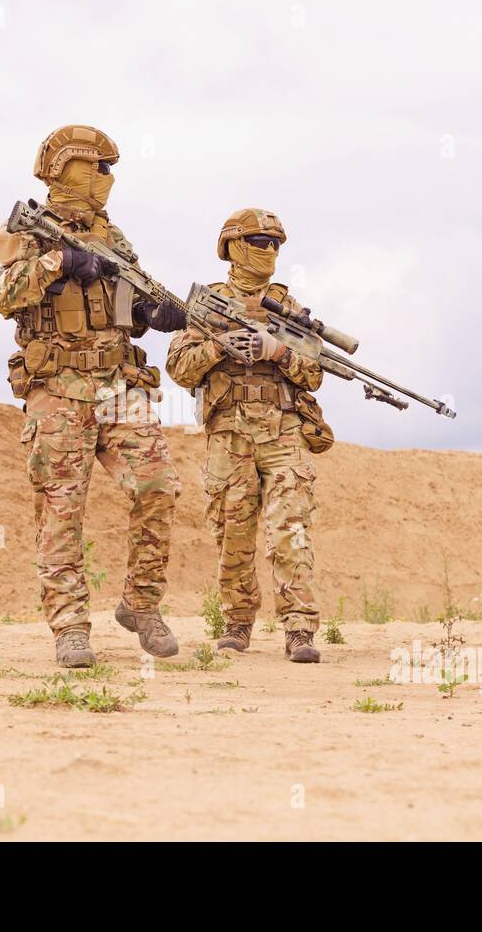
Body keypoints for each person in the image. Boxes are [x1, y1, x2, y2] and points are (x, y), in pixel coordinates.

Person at [0, 125, 187, 667]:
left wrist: (152, 315)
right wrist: (59, 264)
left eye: (108, 168)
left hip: (118, 386)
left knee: (159, 487)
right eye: (94, 166)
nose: (104, 178)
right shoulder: (26, 231)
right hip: (58, 390)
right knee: (61, 511)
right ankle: (70, 627)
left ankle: (141, 604)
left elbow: (125, 308)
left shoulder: (115, 239)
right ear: (62, 168)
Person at [165, 209, 330, 663]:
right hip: (229, 435)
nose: (269, 250)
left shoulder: (289, 309)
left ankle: (299, 628)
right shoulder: (206, 305)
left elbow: (314, 374)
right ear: (234, 247)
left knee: (290, 530)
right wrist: (220, 346)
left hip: (284, 433)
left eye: (276, 243)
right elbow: (178, 369)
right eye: (259, 241)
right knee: (232, 533)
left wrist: (278, 352)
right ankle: (237, 623)